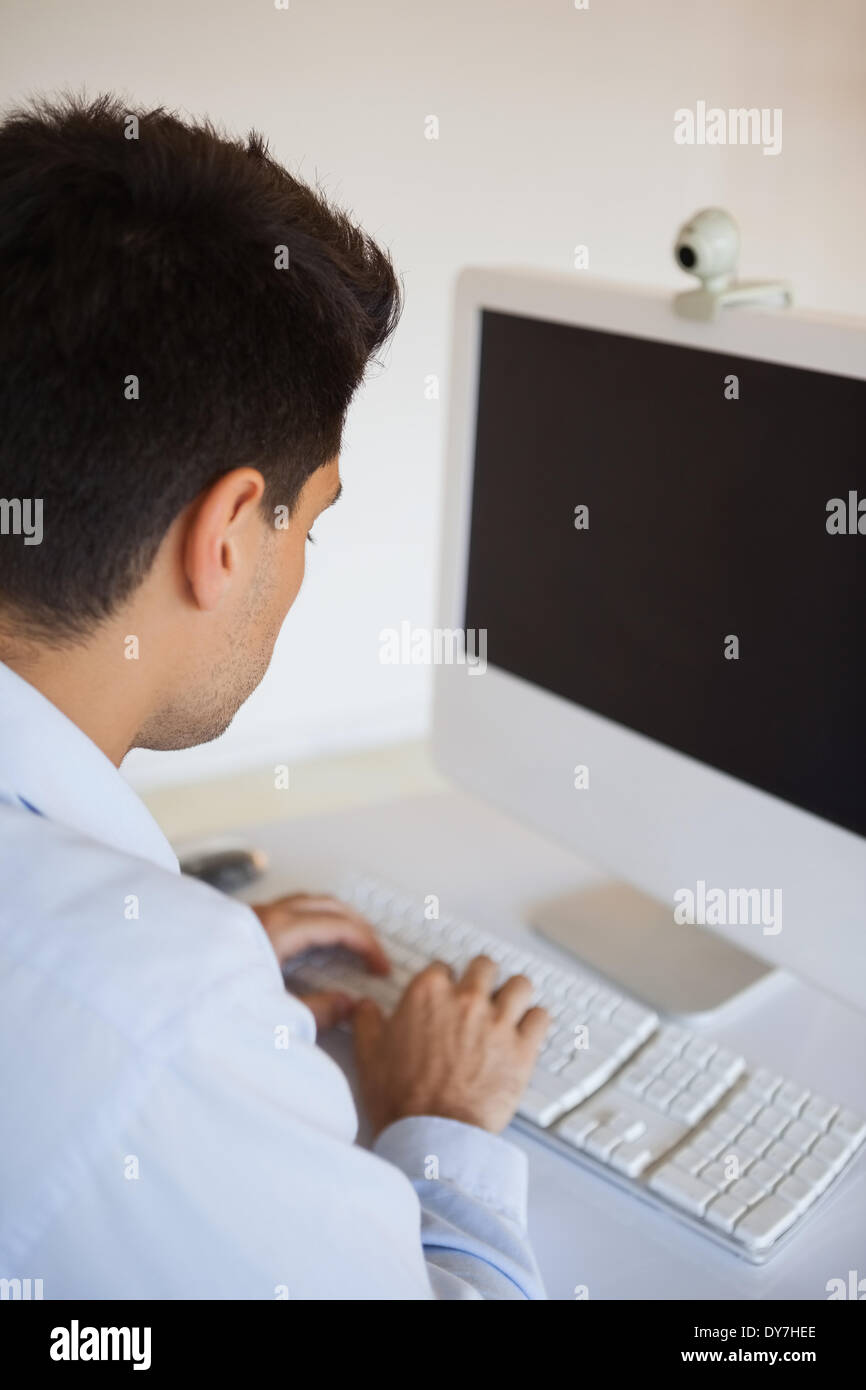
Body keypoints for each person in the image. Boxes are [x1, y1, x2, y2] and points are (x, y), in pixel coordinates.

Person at [0, 94, 548, 1300]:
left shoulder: (127, 990)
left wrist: (159, 1003)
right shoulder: (151, 1012)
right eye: (319, 514)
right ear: (232, 533)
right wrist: (442, 1121)